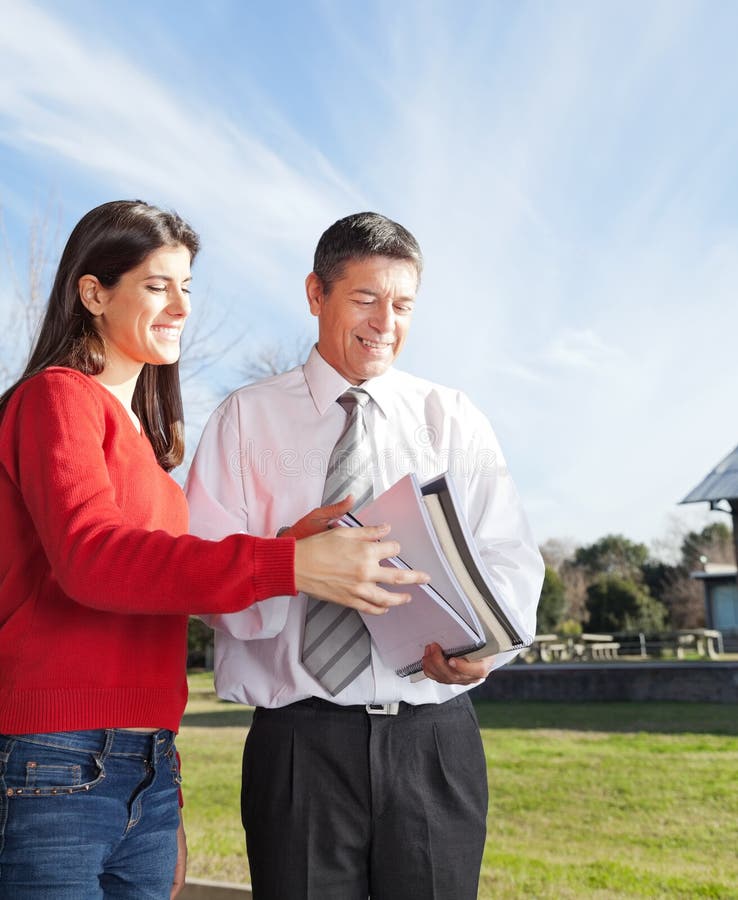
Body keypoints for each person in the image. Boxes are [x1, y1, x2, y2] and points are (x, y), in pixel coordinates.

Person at [0, 201, 427, 900]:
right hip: (56, 756)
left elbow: (158, 584)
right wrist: (288, 566)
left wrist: (160, 793)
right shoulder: (57, 399)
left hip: (142, 765)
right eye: (157, 285)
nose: (179, 307)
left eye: (187, 288)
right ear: (94, 292)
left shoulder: (147, 445)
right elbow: (92, 558)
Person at [185, 211, 545, 899]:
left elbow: (509, 557)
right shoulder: (244, 418)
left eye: (403, 304)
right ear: (315, 294)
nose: (387, 322)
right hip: (299, 747)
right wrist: (289, 556)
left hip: (433, 739)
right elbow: (202, 573)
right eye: (366, 299)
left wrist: (486, 649)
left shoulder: (452, 416)